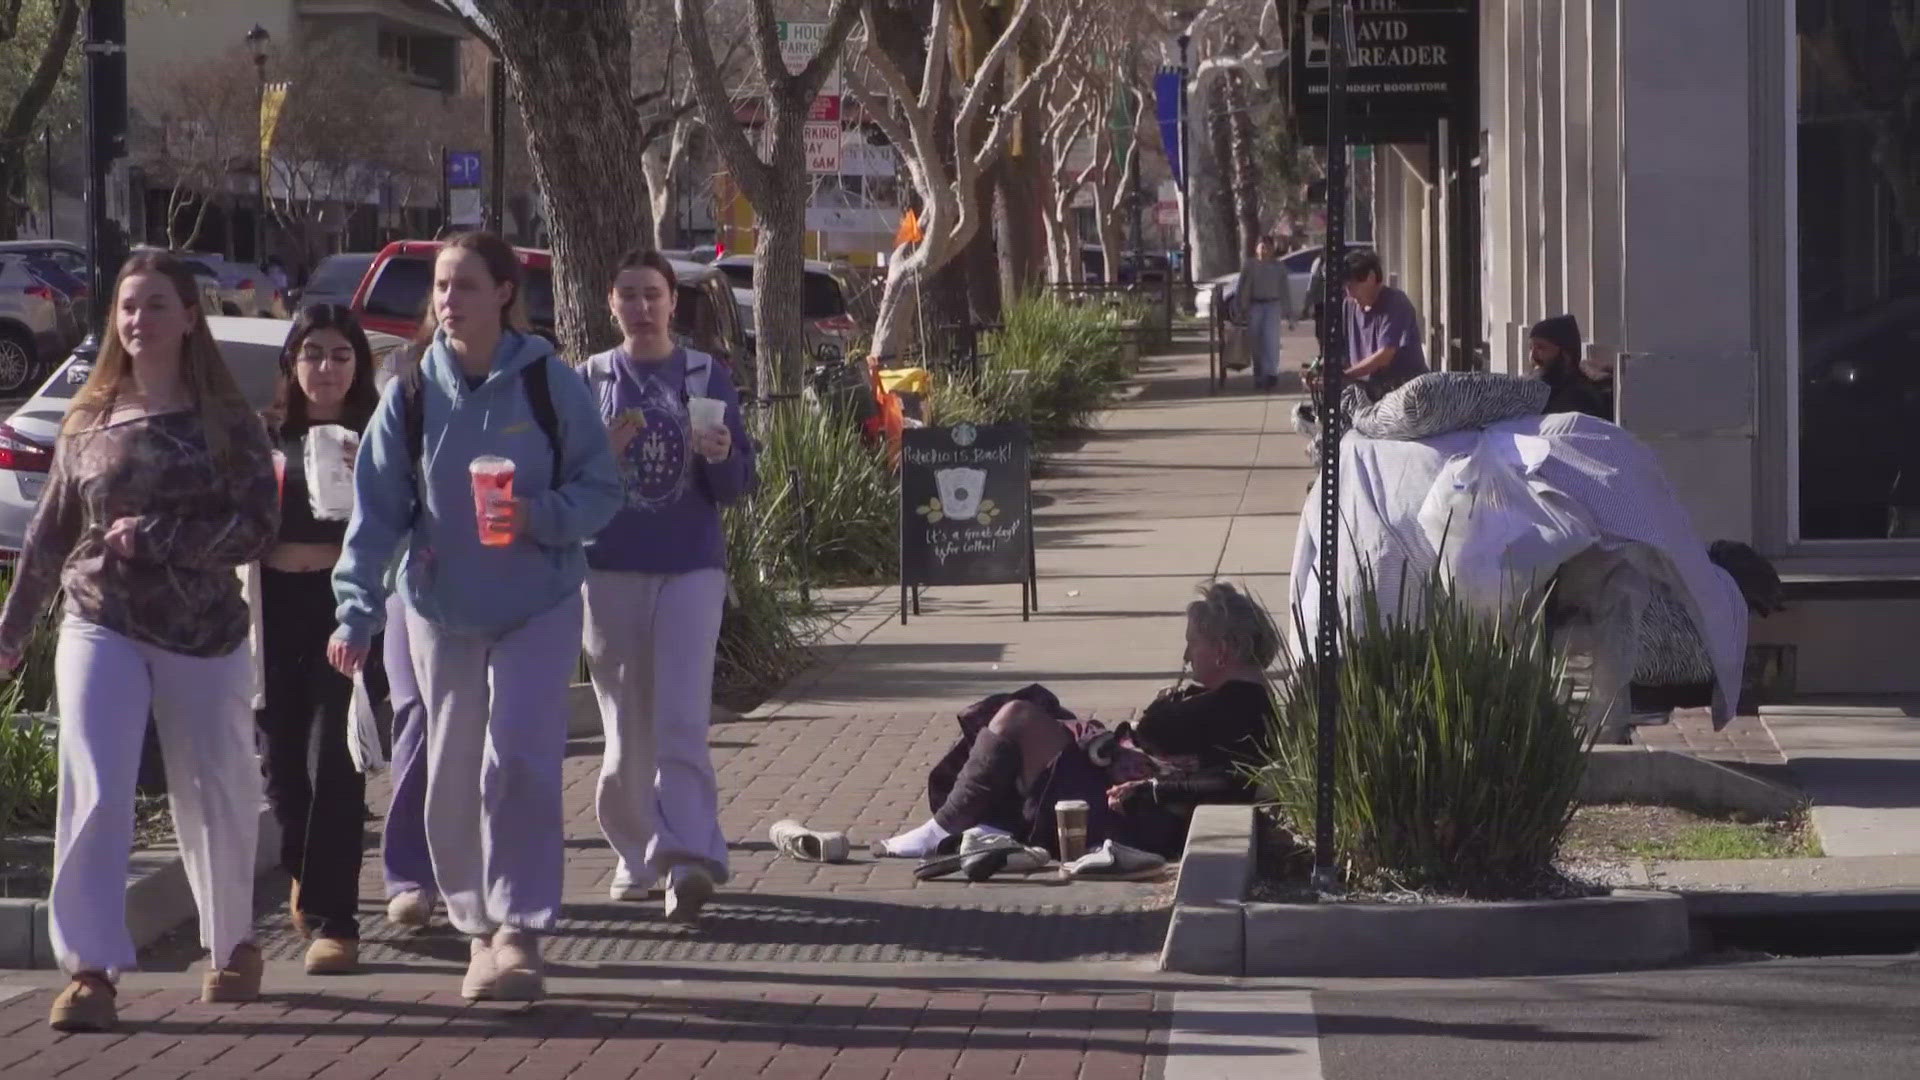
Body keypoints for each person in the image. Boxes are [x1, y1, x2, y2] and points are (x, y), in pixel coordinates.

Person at [327, 231, 621, 1002]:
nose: (448, 299)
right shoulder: (412, 393)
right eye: (440, 287)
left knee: (520, 756)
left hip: (537, 602)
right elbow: (377, 514)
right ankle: (477, 929)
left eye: (463, 285)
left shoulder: (549, 384)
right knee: (450, 766)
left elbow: (601, 490)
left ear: (502, 294)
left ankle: (520, 929)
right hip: (440, 608)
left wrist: (537, 516)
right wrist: (356, 612)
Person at [0, 250, 279, 1031]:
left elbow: (257, 528)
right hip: (101, 620)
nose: (139, 320)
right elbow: (52, 534)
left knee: (216, 789)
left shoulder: (229, 422)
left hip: (202, 631)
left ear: (189, 317)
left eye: (156, 305)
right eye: (128, 306)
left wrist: (158, 537)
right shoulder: (89, 418)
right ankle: (89, 968)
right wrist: (11, 632)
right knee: (93, 782)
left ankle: (231, 946)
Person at [579, 249, 757, 923]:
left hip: (691, 565)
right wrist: (599, 454)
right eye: (629, 294)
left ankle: (687, 858)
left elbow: (739, 485)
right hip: (610, 566)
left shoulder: (706, 374)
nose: (642, 306)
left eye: (653, 294)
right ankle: (636, 852)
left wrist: (720, 456)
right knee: (626, 730)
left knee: (682, 718)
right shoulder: (590, 378)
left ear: (671, 303)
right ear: (611, 303)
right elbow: (570, 489)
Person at [873, 582, 1277, 867]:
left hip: (1139, 821)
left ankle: (941, 831)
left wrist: (1151, 788)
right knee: (1035, 706)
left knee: (1018, 718)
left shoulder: (1240, 705)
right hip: (1132, 800)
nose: (1187, 655)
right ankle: (981, 824)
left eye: (1193, 642)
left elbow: (1233, 783)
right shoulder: (1230, 698)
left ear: (1222, 650)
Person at [255, 304, 381, 975]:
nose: (325, 368)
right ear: (291, 363)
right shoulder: (265, 434)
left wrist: (377, 479)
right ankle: (303, 869)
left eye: (339, 354)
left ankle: (338, 922)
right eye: (312, 354)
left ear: (358, 365)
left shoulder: (379, 433)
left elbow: (410, 520)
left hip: (348, 606)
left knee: (337, 761)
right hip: (273, 608)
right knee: (281, 768)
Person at [1334, 250, 1429, 397]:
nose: (1350, 294)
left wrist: (1345, 376)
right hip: (1369, 389)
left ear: (1371, 278)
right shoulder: (1349, 305)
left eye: (1353, 286)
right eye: (1346, 288)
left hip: (1405, 392)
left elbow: (1384, 355)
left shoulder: (1395, 302)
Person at [1529, 314, 1614, 421]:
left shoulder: (1581, 399)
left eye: (1541, 347)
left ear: (1566, 354)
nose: (1533, 356)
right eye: (1530, 348)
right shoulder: (1531, 392)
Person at [1238, 237, 1296, 391]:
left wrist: (1290, 315)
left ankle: (1271, 374)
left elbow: (1285, 291)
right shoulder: (1249, 265)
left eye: (1268, 247)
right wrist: (1239, 308)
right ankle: (1259, 374)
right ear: (1256, 248)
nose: (1265, 251)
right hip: (1255, 306)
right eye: (1262, 247)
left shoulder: (1278, 267)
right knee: (1256, 343)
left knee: (1271, 341)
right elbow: (1240, 287)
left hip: (1272, 306)